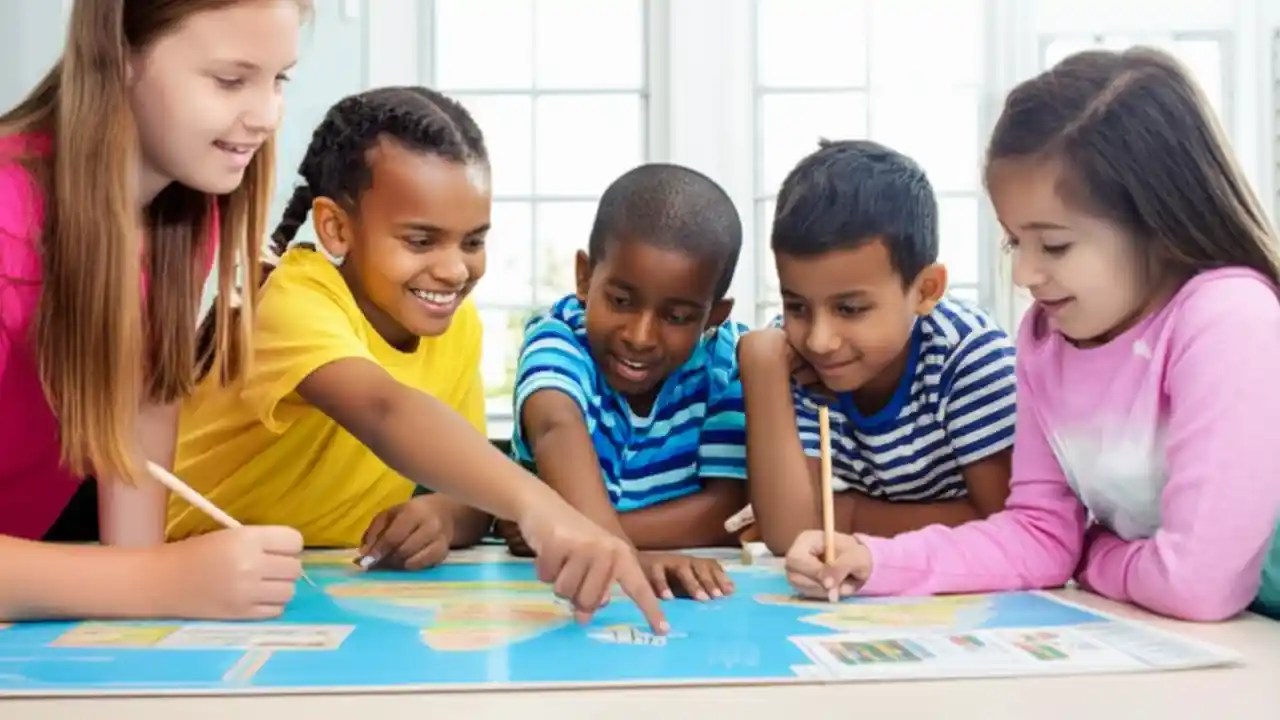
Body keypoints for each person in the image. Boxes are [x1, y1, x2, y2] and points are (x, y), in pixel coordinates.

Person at [785, 47, 1280, 622]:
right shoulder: (1046, 339)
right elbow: (1041, 536)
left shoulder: (1230, 317)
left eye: (1055, 245)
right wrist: (873, 561)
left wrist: (1097, 556)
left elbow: (1197, 586)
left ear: (1159, 225)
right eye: (1014, 242)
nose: (1022, 275)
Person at [168, 86, 668, 633]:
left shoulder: (456, 328)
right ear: (336, 227)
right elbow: (385, 411)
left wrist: (443, 516)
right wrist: (544, 507)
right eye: (421, 241)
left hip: (314, 584)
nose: (455, 270)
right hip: (182, 573)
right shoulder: (292, 299)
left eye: (472, 242)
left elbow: (469, 486)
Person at [0, 0, 308, 622]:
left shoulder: (185, 211)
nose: (267, 116)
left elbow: (139, 428)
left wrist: (151, 578)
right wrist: (161, 581)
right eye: (229, 80)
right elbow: (142, 572)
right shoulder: (9, 219)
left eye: (279, 80)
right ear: (121, 56)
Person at [739, 140, 1016, 556]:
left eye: (849, 309)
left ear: (925, 290)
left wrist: (848, 515)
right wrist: (760, 364)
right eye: (796, 305)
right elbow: (791, 535)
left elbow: (1007, 523)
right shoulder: (790, 357)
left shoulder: (970, 358)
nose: (819, 339)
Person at [496, 163, 749, 601]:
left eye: (677, 317)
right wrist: (620, 552)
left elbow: (728, 512)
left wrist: (582, 534)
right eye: (620, 301)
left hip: (689, 597)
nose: (639, 336)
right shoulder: (557, 341)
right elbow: (556, 426)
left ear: (713, 317)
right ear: (584, 277)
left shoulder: (726, 362)